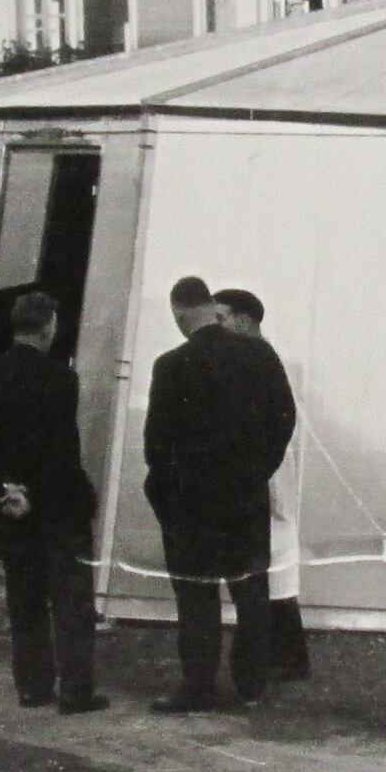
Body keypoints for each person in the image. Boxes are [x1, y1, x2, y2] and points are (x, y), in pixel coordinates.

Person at [143, 276, 297, 713]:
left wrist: (167, 493)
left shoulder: (170, 365)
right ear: (212, 307)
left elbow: (156, 444)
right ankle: (250, 687)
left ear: (179, 313)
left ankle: (197, 688)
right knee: (251, 594)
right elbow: (284, 418)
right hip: (245, 497)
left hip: (191, 504)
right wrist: (256, 470)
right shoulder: (259, 354)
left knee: (196, 597)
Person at [0, 290, 108, 716]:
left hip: (11, 507)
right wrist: (38, 494)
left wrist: (10, 490)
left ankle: (32, 686)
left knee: (23, 598)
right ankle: (76, 691)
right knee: (71, 600)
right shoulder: (62, 379)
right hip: (59, 505)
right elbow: (62, 452)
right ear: (49, 327)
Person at [212, 288, 312, 683]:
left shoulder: (261, 357)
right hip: (261, 463)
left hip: (268, 465)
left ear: (243, 319)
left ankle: (284, 655)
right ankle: (285, 654)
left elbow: (276, 419)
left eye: (221, 318)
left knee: (275, 552)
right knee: (272, 559)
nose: (216, 326)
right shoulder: (245, 357)